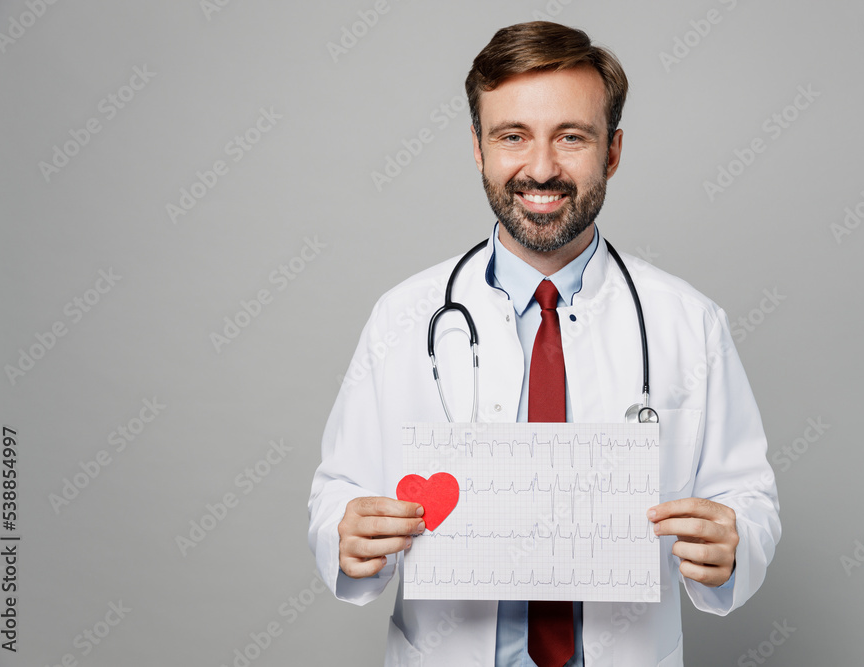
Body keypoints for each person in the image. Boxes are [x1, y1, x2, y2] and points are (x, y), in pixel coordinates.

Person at [308, 21, 780, 667]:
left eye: (571, 137)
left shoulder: (689, 322)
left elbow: (747, 498)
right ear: (478, 149)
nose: (540, 168)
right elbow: (340, 488)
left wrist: (733, 545)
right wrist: (347, 532)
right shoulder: (403, 316)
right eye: (512, 136)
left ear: (612, 152)